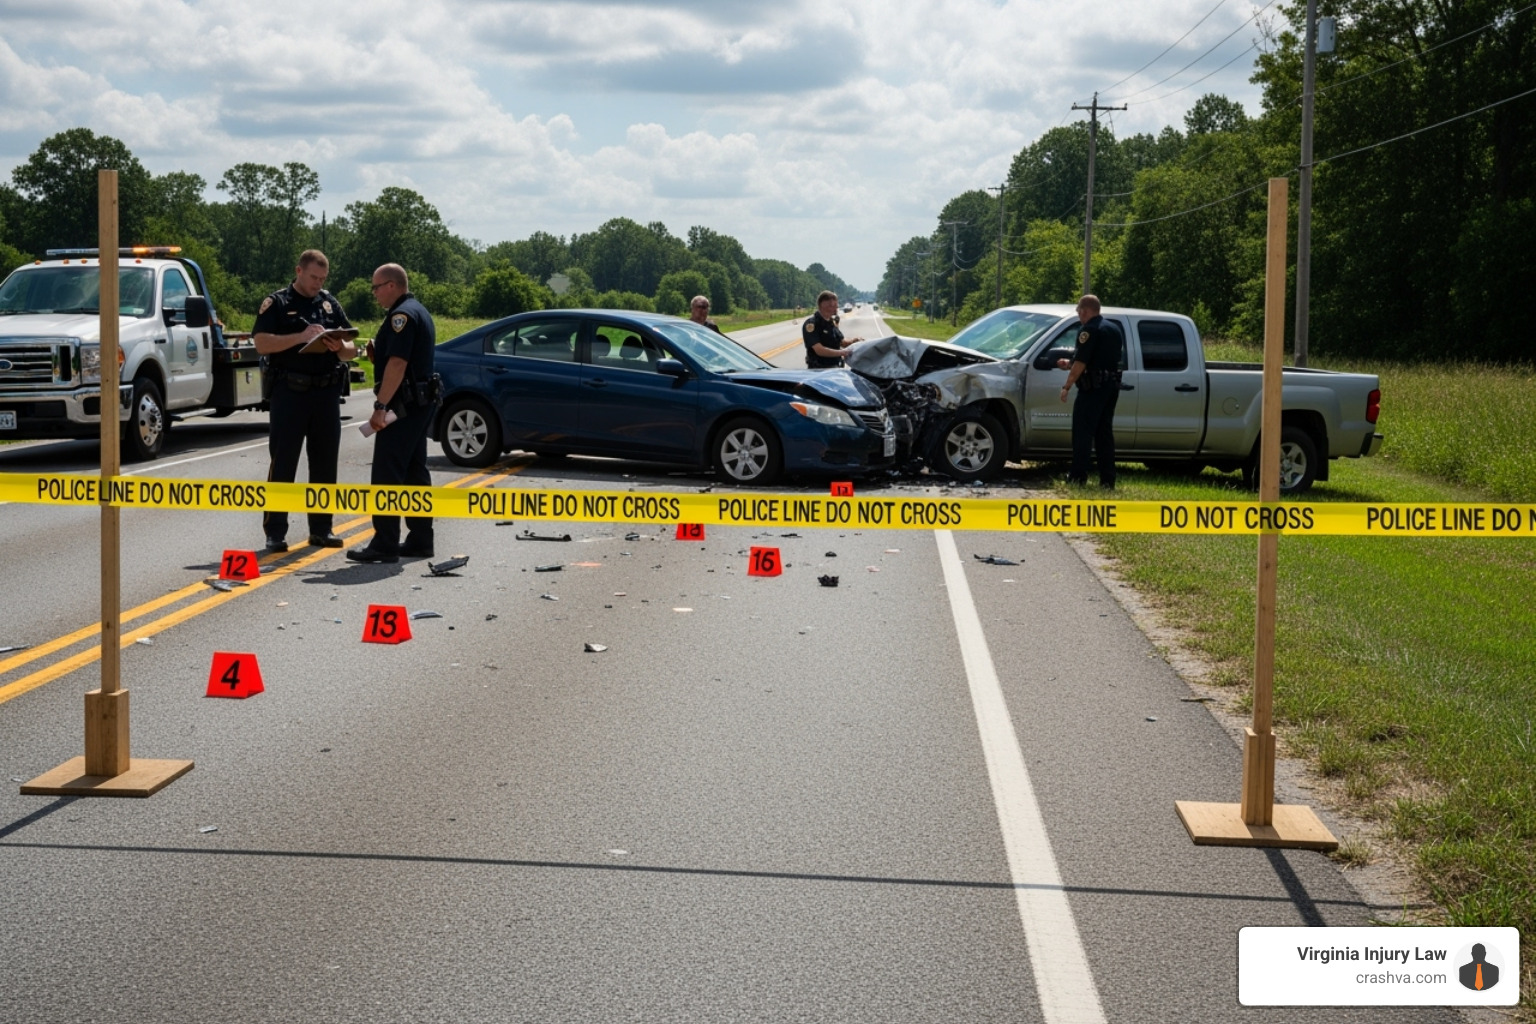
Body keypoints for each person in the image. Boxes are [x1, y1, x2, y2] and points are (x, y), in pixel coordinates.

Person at [253, 250, 356, 551]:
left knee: (325, 463)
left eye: (322, 279)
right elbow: (261, 342)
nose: (317, 283)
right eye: (313, 277)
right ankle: (275, 532)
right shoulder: (278, 303)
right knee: (283, 463)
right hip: (290, 392)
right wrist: (300, 337)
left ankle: (321, 528)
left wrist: (340, 346)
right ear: (299, 271)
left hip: (325, 393)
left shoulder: (328, 302)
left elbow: (350, 348)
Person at [347, 264, 439, 564]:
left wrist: (380, 407)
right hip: (419, 404)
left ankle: (385, 543)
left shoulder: (402, 316)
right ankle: (421, 538)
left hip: (402, 407)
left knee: (387, 473)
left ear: (391, 285)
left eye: (376, 288)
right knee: (414, 472)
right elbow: (400, 359)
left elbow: (398, 364)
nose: (374, 294)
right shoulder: (417, 310)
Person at [1057, 294, 1124, 488]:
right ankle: (1108, 480)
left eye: (1079, 311)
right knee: (1104, 434)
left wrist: (1067, 386)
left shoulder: (1088, 330)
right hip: (1110, 387)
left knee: (1082, 432)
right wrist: (1068, 364)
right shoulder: (1113, 329)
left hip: (1092, 388)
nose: (1078, 314)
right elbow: (1099, 358)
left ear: (1085, 311)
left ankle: (1077, 477)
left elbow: (1082, 362)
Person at [802, 290, 863, 368]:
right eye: (832, 305)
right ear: (822, 305)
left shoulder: (831, 323)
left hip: (835, 368)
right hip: (819, 370)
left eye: (836, 305)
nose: (836, 308)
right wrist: (842, 353)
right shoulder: (812, 324)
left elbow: (841, 342)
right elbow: (819, 350)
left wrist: (855, 341)